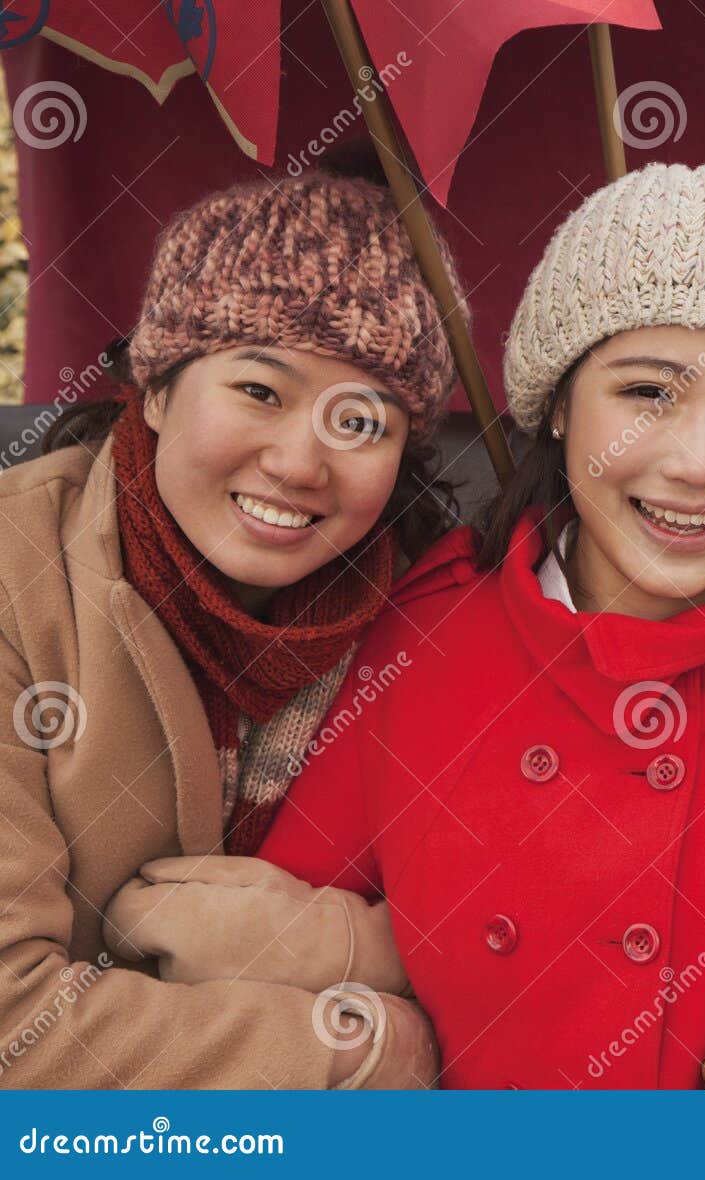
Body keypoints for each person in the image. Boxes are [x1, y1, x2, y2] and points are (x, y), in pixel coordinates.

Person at [202, 163, 705, 1088]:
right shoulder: (425, 636)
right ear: (557, 403)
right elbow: (299, 928)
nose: (698, 461)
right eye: (647, 393)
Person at [0, 169, 464, 1089]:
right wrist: (355, 1049)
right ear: (160, 389)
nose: (299, 462)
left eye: (361, 420)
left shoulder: (439, 616)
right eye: (260, 389)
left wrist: (355, 950)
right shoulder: (18, 580)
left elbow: (527, 935)